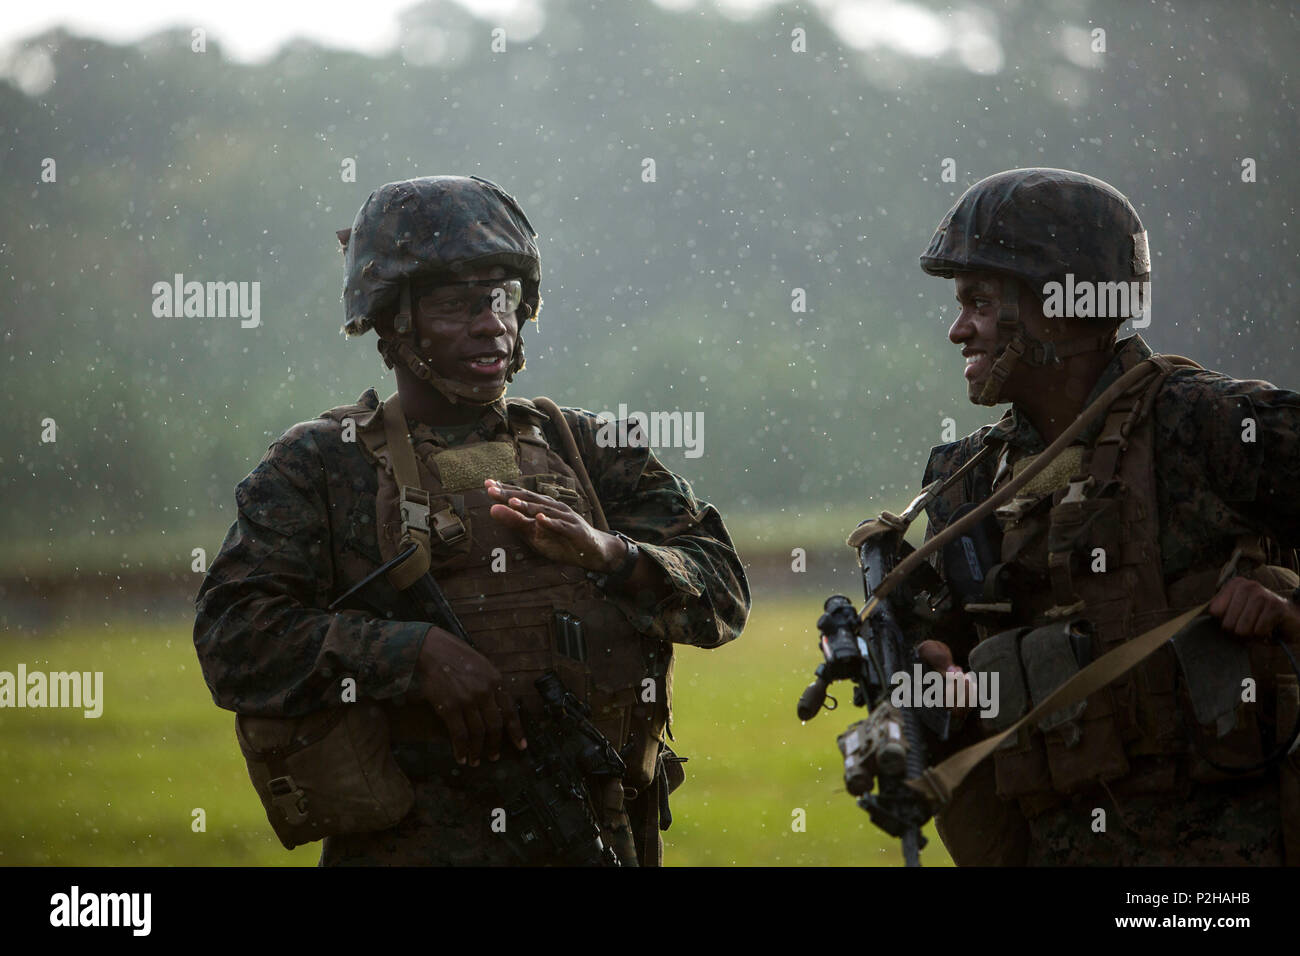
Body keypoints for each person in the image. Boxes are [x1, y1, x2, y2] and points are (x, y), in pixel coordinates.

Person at [192, 175, 749, 866]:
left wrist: (613, 555)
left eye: (504, 298)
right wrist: (412, 655)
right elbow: (233, 641)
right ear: (395, 321)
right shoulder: (321, 466)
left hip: (598, 839)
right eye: (458, 304)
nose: (492, 323)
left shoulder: (592, 451)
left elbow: (724, 595)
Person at [909, 167, 1300, 865]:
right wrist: (933, 670)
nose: (957, 330)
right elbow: (937, 642)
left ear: (1054, 306)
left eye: (979, 301)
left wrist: (1287, 600)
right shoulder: (964, 479)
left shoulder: (1208, 424)